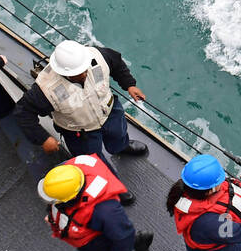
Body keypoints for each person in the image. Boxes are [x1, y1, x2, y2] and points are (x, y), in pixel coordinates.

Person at [15, 39, 149, 161]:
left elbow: (117, 63)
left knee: (119, 133)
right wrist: (43, 139)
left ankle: (121, 146)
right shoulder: (45, 88)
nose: (85, 74)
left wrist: (129, 84)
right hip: (80, 132)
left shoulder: (98, 55)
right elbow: (23, 112)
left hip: (110, 112)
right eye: (78, 73)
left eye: (85, 68)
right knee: (90, 160)